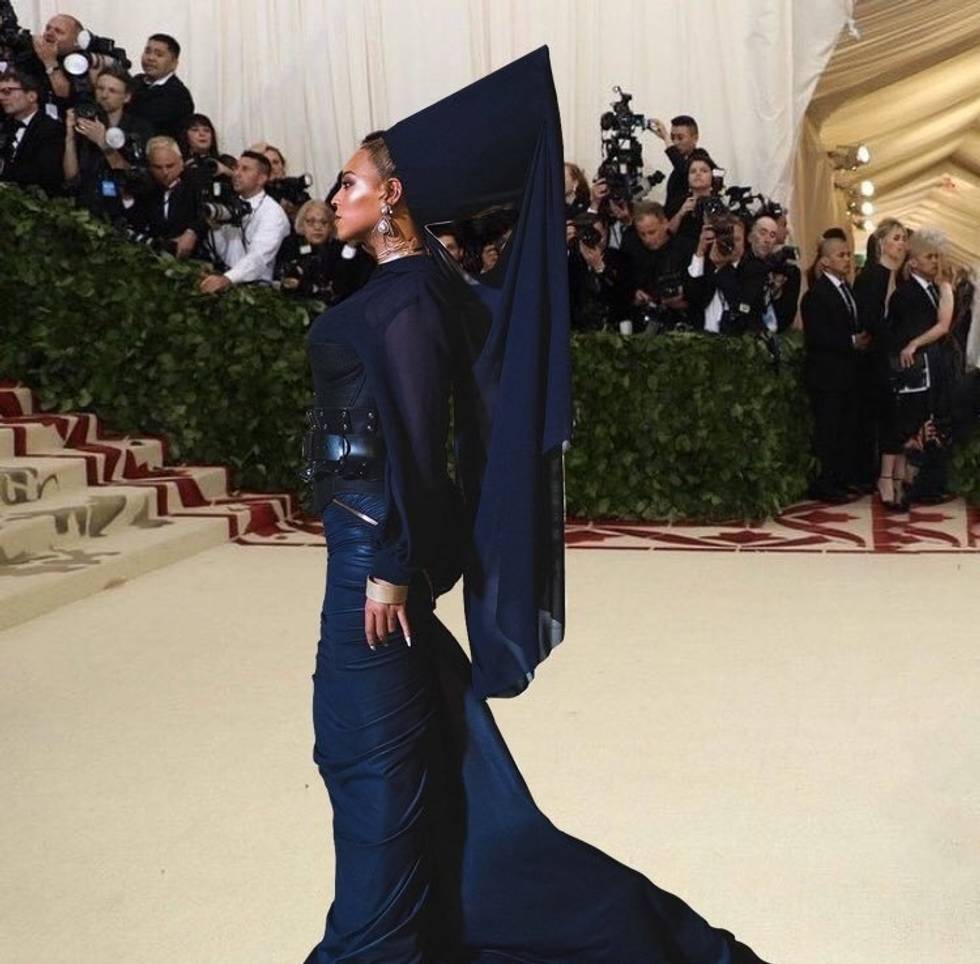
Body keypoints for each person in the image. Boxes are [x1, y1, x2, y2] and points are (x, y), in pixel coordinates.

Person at [300, 47, 769, 964]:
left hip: (371, 568)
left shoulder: (407, 301)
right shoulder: (405, 291)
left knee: (366, 764)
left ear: (392, 195)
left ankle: (373, 947)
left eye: (350, 181)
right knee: (393, 768)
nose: (336, 194)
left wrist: (393, 568)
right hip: (360, 555)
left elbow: (416, 442)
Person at [886, 228, 955, 507]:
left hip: (930, 367)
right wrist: (915, 345)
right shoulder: (907, 294)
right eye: (929, 257)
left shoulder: (930, 290)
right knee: (913, 426)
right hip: (915, 371)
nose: (935, 262)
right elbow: (914, 333)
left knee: (928, 424)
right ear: (913, 262)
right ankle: (905, 488)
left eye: (937, 257)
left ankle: (923, 486)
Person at [801, 234, 871, 502]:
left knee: (845, 430)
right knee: (828, 432)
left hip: (849, 375)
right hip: (827, 377)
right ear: (826, 261)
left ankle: (842, 479)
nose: (847, 260)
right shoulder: (816, 295)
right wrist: (851, 341)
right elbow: (817, 336)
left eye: (848, 254)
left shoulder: (847, 289)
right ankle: (825, 484)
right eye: (841, 255)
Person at [853, 218, 907, 508]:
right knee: (883, 416)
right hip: (876, 358)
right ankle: (880, 477)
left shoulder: (900, 277)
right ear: (882, 243)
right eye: (896, 238)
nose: (901, 244)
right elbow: (869, 318)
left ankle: (896, 477)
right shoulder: (872, 275)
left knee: (897, 416)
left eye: (903, 238)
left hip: (896, 357)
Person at [62, 65, 152, 222]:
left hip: (122, 212)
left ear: (126, 97)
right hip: (85, 207)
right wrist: (69, 136)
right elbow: (71, 177)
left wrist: (103, 143)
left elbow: (135, 177)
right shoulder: (87, 122)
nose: (104, 95)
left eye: (112, 91)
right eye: (100, 88)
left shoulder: (139, 128)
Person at [198, 150, 290, 292]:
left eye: (245, 169)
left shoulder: (272, 212)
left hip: (259, 291)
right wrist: (216, 227)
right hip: (229, 286)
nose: (236, 174)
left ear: (261, 179)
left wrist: (227, 279)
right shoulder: (231, 206)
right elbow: (223, 252)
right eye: (236, 168)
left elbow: (258, 258)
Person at [276, 198, 373, 303]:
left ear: (331, 227)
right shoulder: (291, 244)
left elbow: (341, 286)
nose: (318, 227)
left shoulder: (337, 249)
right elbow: (284, 279)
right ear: (302, 224)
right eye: (311, 222)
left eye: (324, 222)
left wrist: (350, 247)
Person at [685, 215, 767, 335]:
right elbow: (691, 297)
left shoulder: (755, 268)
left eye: (737, 239)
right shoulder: (707, 264)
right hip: (703, 337)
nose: (732, 244)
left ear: (745, 241)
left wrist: (721, 267)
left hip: (739, 339)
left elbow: (742, 305)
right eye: (727, 239)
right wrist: (700, 252)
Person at [124, 135, 201, 257]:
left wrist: (193, 232)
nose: (165, 172)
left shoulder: (195, 186)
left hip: (196, 256)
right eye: (158, 167)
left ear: (181, 163)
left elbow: (207, 214)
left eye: (170, 166)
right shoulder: (144, 193)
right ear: (149, 167)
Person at [0, 69, 64, 195]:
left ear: (31, 96)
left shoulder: (50, 128)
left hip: (39, 200)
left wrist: (2, 167)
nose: (1, 97)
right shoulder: (5, 126)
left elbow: (46, 173)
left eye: (7, 91)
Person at [129, 34, 194, 140]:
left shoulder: (179, 95)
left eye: (159, 55)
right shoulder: (135, 82)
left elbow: (143, 121)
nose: (150, 58)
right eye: (147, 52)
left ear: (174, 63)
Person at [649, 114, 709, 217]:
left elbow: (684, 169)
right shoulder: (681, 161)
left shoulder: (701, 157)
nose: (675, 142)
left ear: (695, 138)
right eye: (672, 137)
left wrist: (666, 138)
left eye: (680, 138)